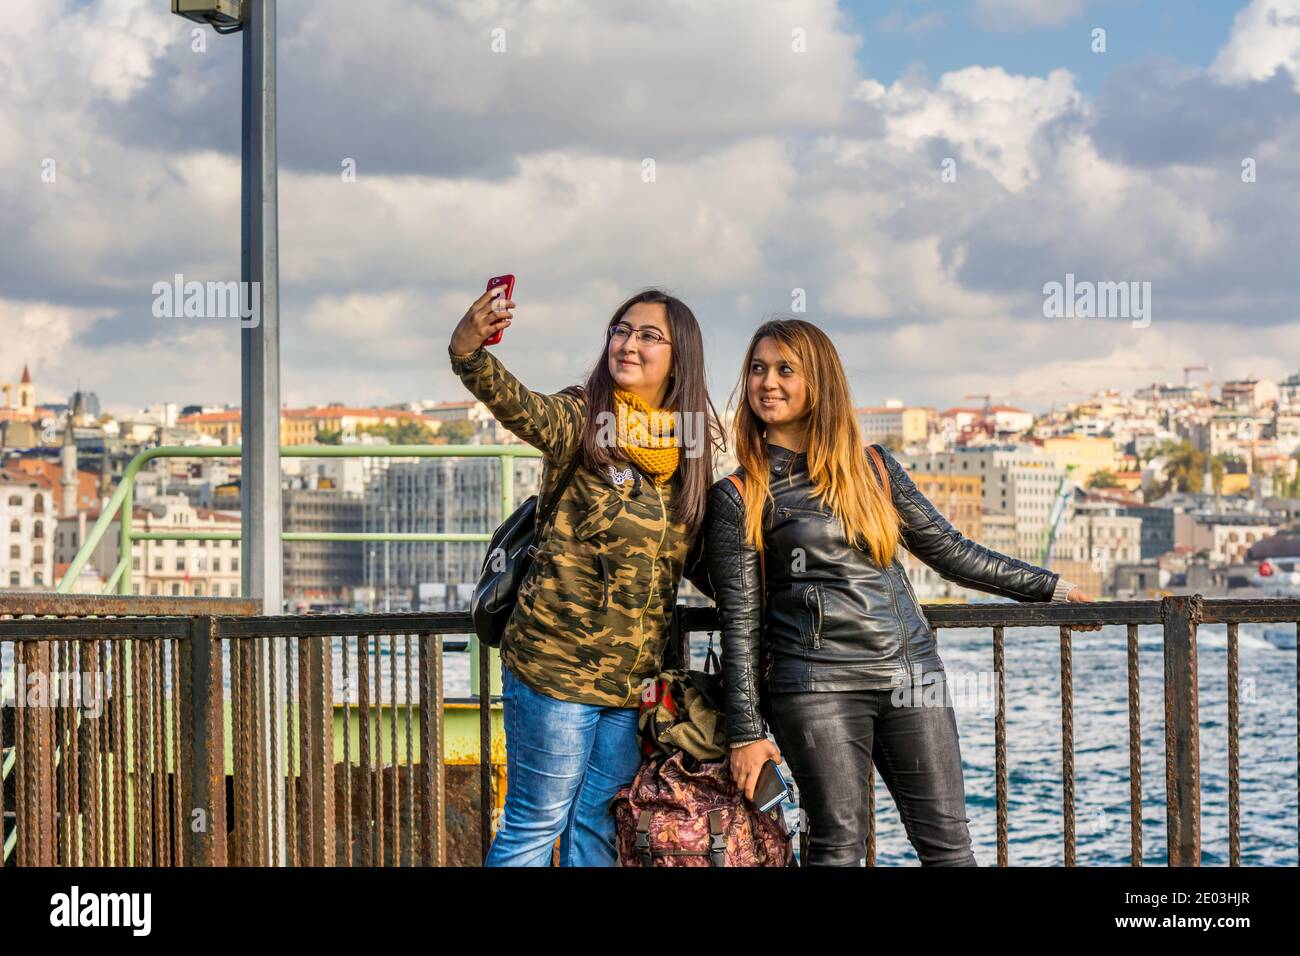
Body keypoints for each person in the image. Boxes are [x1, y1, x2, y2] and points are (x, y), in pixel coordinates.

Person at [703, 318, 1099, 867]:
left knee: (949, 849)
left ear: (819, 382)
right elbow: (740, 622)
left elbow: (951, 551)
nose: (768, 382)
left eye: (785, 369)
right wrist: (746, 732)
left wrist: (1051, 589)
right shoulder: (738, 494)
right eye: (758, 369)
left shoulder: (874, 469)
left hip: (912, 676)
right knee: (837, 847)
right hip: (814, 687)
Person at [448, 285, 719, 866]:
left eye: (649, 335)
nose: (628, 343)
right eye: (620, 331)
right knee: (536, 820)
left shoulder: (689, 448)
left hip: (632, 683)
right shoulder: (582, 416)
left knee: (597, 823)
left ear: (681, 357)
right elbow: (519, 404)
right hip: (556, 667)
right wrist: (469, 350)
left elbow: (695, 558)